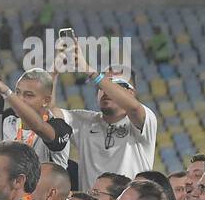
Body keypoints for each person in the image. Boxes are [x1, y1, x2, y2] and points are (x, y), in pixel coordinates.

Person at [67, 60, 158, 191]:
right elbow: (49, 111)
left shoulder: (145, 120)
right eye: (101, 86)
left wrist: (90, 71)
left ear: (131, 93)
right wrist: (53, 73)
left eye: (114, 84)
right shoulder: (84, 122)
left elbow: (134, 108)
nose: (105, 89)